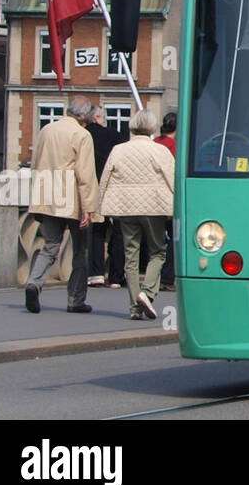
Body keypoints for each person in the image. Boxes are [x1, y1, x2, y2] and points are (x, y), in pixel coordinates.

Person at [24, 95, 100, 314]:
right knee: (80, 250)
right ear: (85, 114)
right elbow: (84, 173)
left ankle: (34, 283)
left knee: (50, 246)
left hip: (47, 194)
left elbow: (36, 162)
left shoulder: (47, 130)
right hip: (72, 198)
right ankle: (75, 300)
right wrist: (88, 207)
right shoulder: (82, 134)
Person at [98, 109, 175, 320]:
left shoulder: (118, 150)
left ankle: (134, 307)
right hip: (153, 206)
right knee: (158, 251)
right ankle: (148, 293)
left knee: (130, 257)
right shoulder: (160, 151)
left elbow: (105, 178)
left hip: (126, 206)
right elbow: (172, 179)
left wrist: (100, 205)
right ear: (151, 127)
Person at [86, 105, 125, 288]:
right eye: (103, 118)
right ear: (97, 118)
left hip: (91, 187)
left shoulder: (83, 135)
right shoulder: (114, 136)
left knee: (96, 231)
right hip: (114, 187)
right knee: (118, 230)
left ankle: (96, 273)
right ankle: (116, 276)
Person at [154, 111, 177, 287]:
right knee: (173, 238)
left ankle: (154, 276)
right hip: (168, 197)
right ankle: (167, 277)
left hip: (152, 197)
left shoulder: (155, 143)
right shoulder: (173, 146)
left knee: (155, 240)